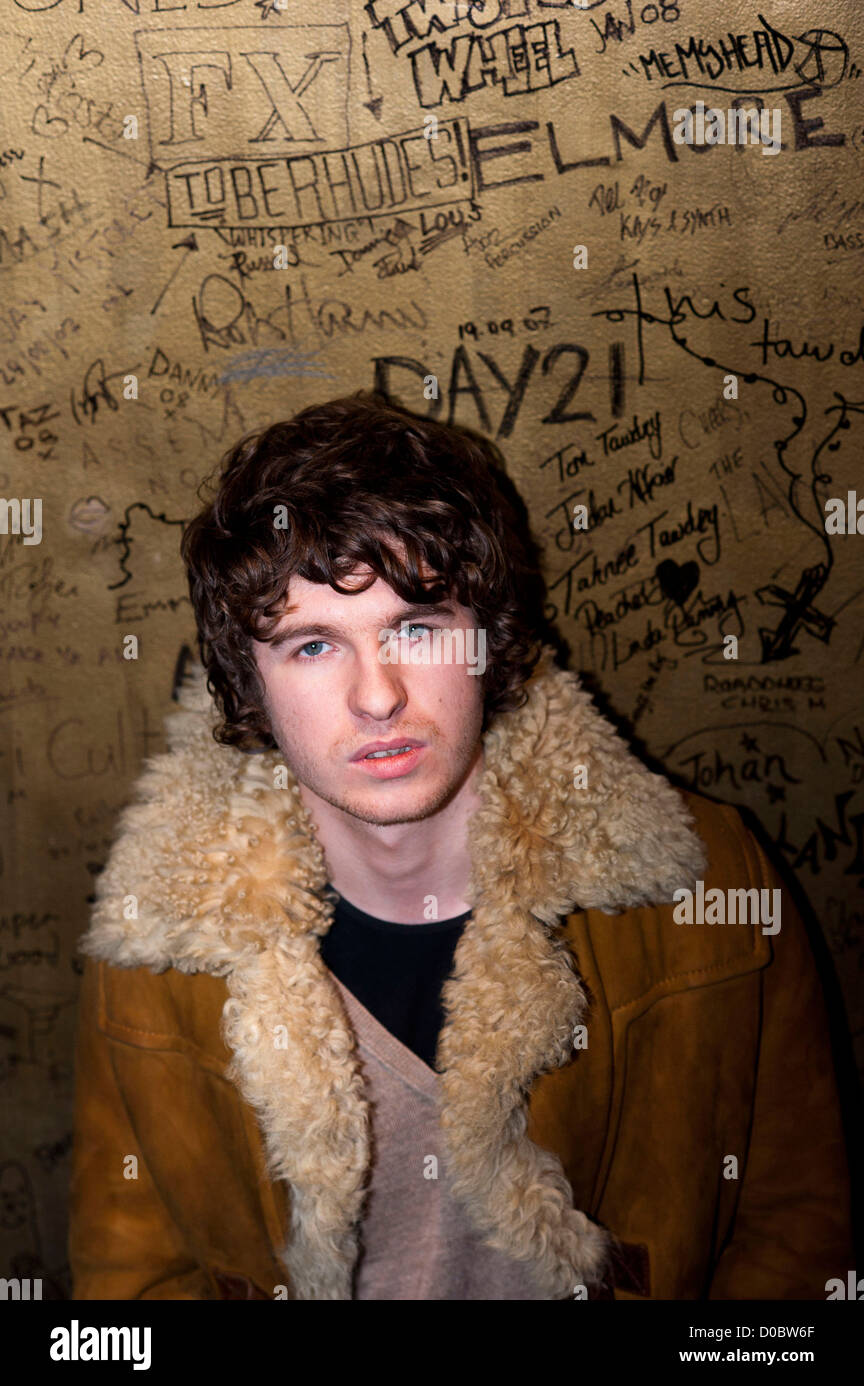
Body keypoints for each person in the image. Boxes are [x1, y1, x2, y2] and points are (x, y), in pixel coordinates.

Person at [68, 391, 853, 1300]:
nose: (378, 697)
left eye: (416, 626)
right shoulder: (154, 932)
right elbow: (131, 1282)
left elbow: (798, 1230)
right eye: (314, 646)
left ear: (490, 638)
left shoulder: (708, 886)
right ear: (251, 683)